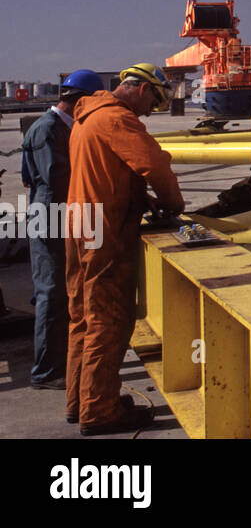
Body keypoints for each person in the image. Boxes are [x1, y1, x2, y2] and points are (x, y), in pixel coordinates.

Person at [66, 63, 184, 435]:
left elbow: (106, 171)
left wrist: (138, 197)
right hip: (104, 231)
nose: (152, 110)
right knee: (108, 318)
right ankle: (100, 411)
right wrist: (172, 204)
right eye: (156, 101)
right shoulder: (117, 119)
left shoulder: (86, 117)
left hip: (77, 223)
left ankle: (80, 400)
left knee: (82, 316)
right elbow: (154, 165)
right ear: (141, 89)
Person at [20, 70, 105, 389]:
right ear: (80, 100)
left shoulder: (61, 128)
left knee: (61, 291)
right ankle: (45, 372)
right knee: (51, 293)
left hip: (59, 214)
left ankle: (60, 361)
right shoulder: (47, 129)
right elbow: (59, 178)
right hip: (50, 216)